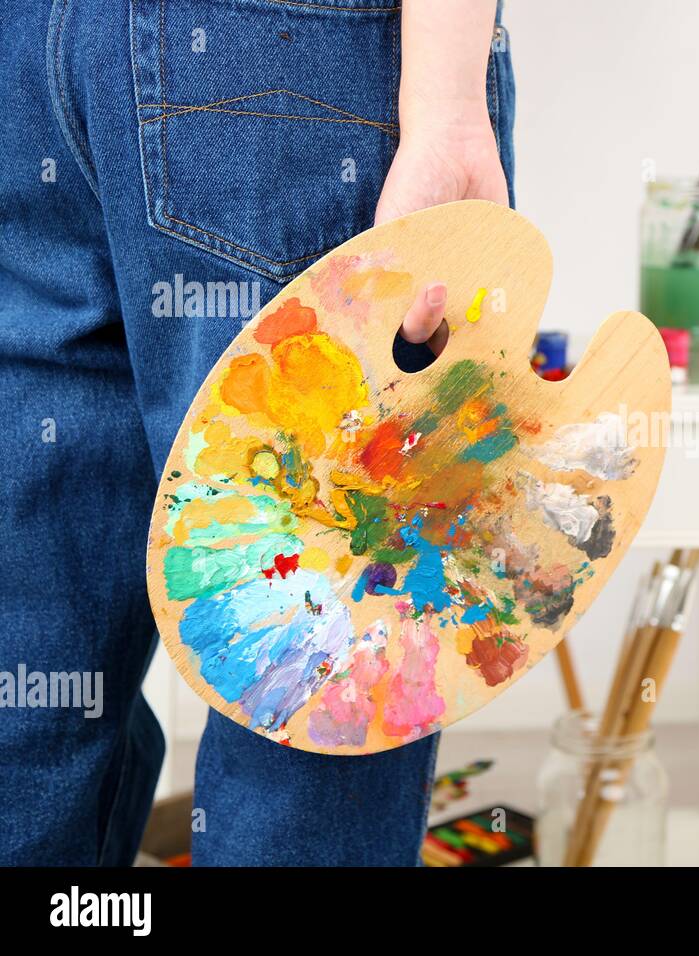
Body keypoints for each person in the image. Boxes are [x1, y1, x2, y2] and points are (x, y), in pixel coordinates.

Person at [0, 0, 514, 865]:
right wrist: (448, 102)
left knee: (28, 680)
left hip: (25, 58)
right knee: (321, 687)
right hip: (283, 56)